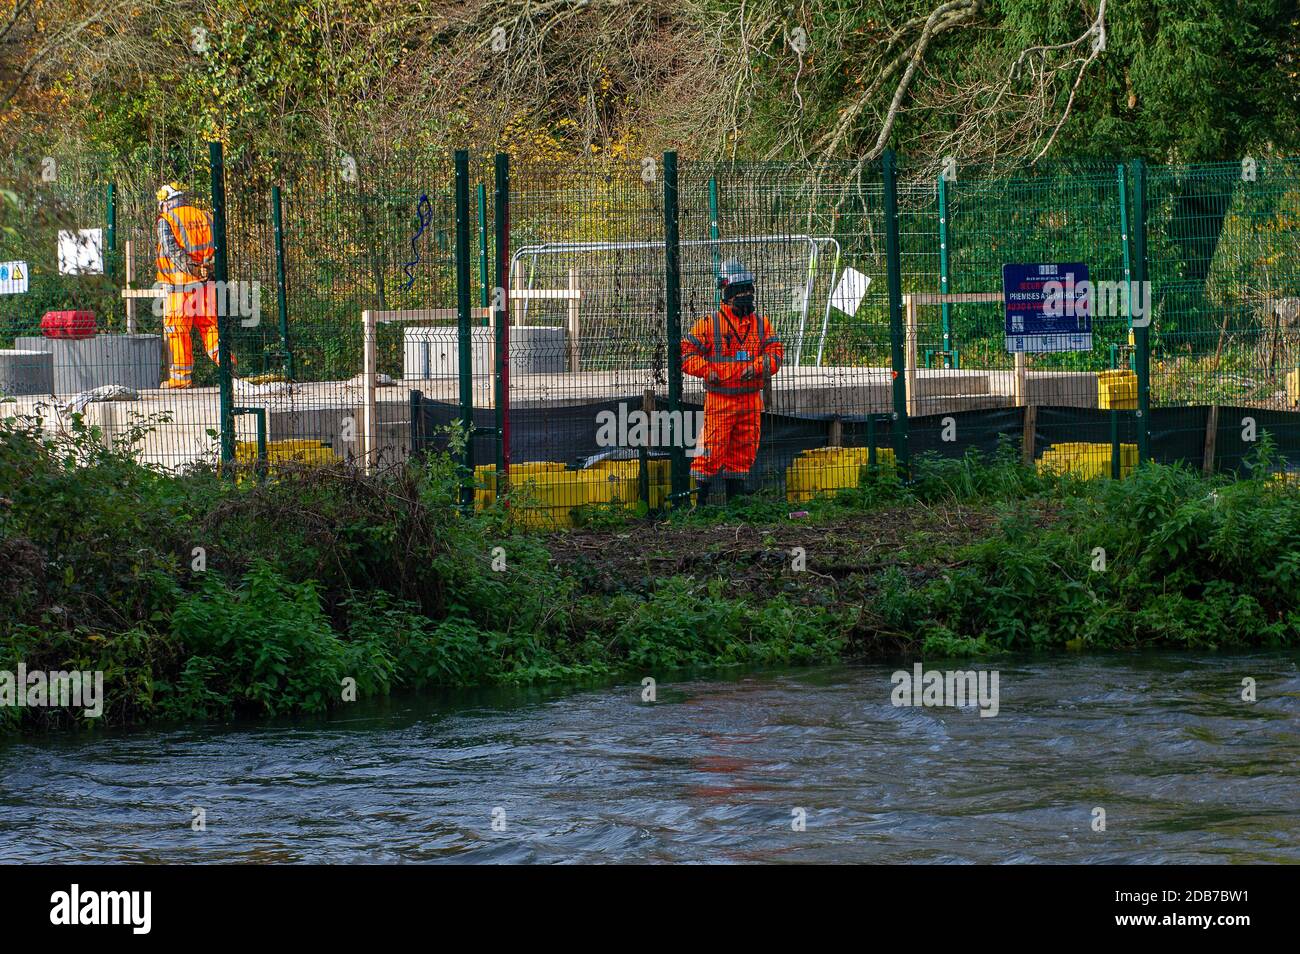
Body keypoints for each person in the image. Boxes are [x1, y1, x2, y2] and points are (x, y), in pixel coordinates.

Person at [680, 260, 784, 503]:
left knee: (743, 453)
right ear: (728, 294)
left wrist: (756, 367)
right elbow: (685, 353)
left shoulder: (761, 324)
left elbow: (776, 355)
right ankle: (700, 504)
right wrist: (706, 370)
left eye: (749, 290)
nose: (747, 295)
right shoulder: (710, 324)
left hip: (750, 401)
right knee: (710, 452)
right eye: (741, 291)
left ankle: (735, 505)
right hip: (720, 401)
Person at [154, 182, 230, 388]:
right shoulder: (206, 216)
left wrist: (191, 268)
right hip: (206, 284)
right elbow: (218, 247)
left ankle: (180, 380)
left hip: (180, 288)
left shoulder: (167, 220)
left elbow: (172, 251)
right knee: (211, 328)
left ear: (165, 203)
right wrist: (207, 268)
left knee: (177, 330)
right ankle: (229, 371)